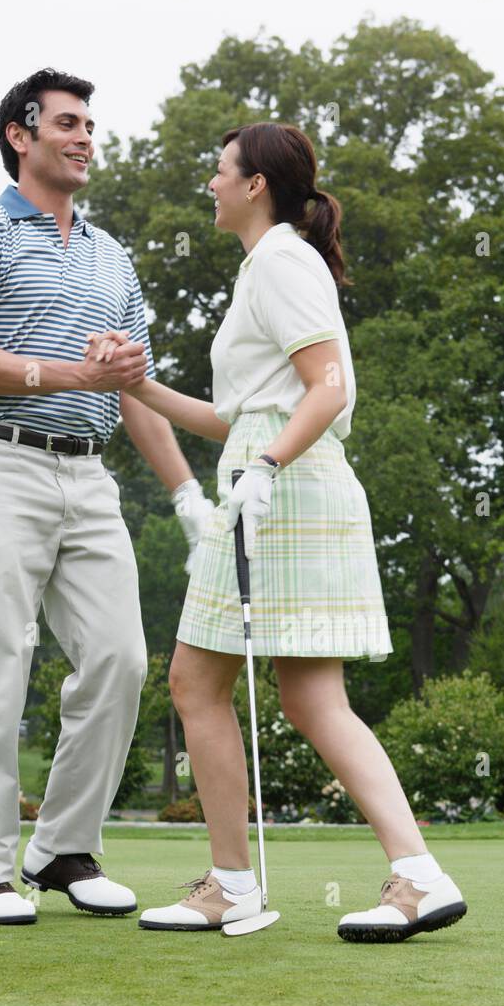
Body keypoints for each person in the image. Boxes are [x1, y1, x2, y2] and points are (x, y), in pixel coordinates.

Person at [90, 122, 467, 942]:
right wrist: (140, 385)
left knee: (198, 680)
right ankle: (415, 874)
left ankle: (239, 883)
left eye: (219, 171)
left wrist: (264, 467)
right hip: (274, 480)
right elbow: (232, 417)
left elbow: (325, 388)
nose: (211, 186)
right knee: (303, 695)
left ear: (255, 183)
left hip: (285, 489)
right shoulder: (265, 266)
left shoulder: (282, 261)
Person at [0, 68, 215, 926]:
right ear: (21, 135)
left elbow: (133, 388)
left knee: (120, 660)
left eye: (90, 125)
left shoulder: (110, 255)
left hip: (89, 474)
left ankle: (61, 850)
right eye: (68, 123)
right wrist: (68, 372)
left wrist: (189, 497)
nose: (86, 138)